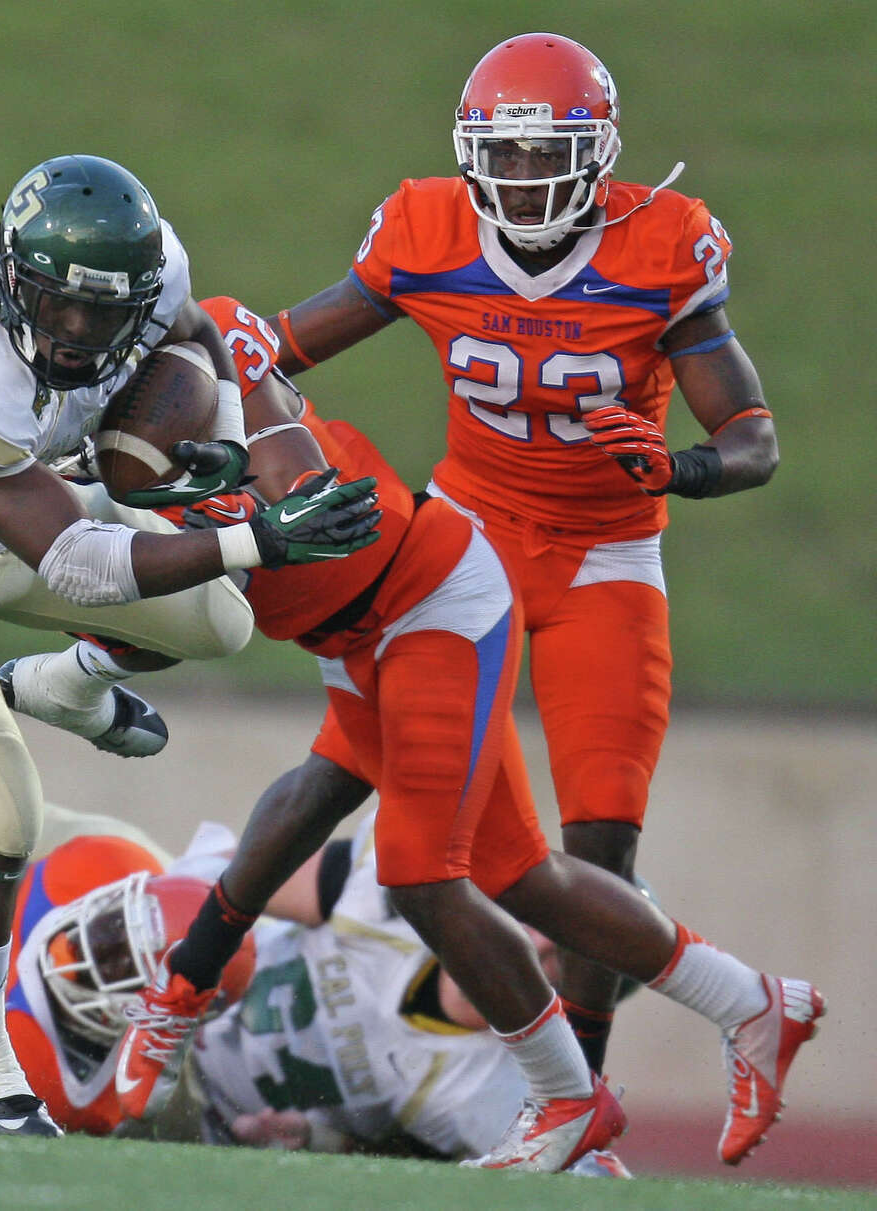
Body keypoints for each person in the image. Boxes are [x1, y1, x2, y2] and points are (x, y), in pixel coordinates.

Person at [106, 295, 821, 1174]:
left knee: (417, 872)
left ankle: (567, 1094)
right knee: (513, 873)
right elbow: (141, 597)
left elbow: (292, 501)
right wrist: (103, 643)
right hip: (350, 636)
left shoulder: (224, 357)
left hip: (428, 598)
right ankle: (752, 1003)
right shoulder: (84, 438)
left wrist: (207, 539)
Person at [0, 152, 381, 1135]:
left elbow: (203, 340)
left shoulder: (157, 277)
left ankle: (70, 682)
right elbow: (76, 563)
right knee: (3, 814)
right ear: (8, 275)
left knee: (220, 620)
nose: (73, 330)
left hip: (19, 513)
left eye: (98, 312)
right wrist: (256, 535)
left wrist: (229, 448)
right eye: (54, 302)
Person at [256, 31, 780, 1076]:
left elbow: (752, 440)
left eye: (549, 153)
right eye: (505, 152)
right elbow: (278, 349)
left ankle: (581, 1090)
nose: (526, 175)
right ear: (470, 152)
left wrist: (682, 468)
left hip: (605, 558)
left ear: (599, 154)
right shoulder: (427, 229)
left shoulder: (661, 245)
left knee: (602, 839)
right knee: (349, 767)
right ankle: (191, 975)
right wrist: (195, 371)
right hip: (466, 547)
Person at [0, 793, 633, 1174]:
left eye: (552, 958)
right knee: (64, 840)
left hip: (183, 1094)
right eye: (539, 925)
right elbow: (240, 881)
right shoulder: (109, 884)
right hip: (165, 943)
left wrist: (329, 1140)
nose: (526, 947)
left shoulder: (75, 1086)